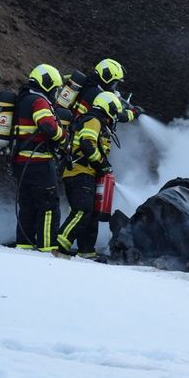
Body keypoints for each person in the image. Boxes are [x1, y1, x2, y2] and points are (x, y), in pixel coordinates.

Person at [57, 91, 122, 258]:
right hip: (80, 172)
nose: (114, 118)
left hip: (86, 173)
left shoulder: (97, 122)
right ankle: (60, 247)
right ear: (108, 109)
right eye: (114, 113)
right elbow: (87, 145)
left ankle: (87, 251)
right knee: (81, 210)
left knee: (91, 214)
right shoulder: (93, 120)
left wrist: (103, 167)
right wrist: (102, 164)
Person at [12, 64, 66, 251]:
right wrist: (64, 136)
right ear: (47, 84)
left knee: (27, 207)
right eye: (54, 88)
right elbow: (48, 126)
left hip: (21, 163)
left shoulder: (22, 99)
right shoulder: (39, 101)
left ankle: (23, 245)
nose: (55, 92)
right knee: (49, 207)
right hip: (39, 162)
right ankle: (47, 248)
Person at [71, 58, 143, 123]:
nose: (114, 86)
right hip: (79, 129)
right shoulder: (99, 95)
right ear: (107, 76)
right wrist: (134, 112)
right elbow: (119, 115)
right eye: (114, 82)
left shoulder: (86, 83)